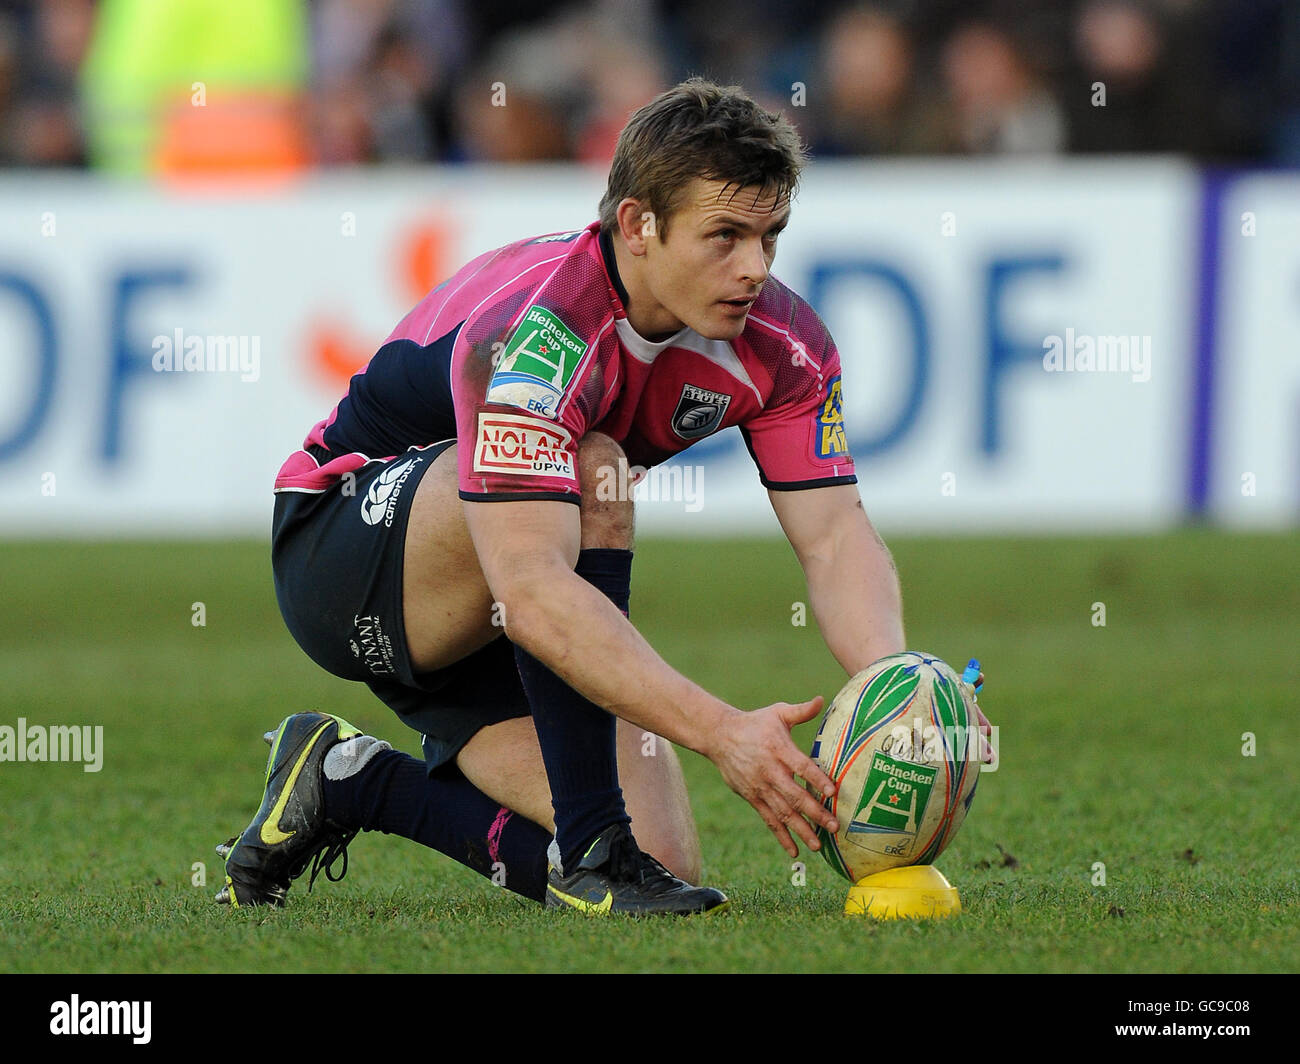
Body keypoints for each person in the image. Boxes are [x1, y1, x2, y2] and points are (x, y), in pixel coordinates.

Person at [215, 77, 948, 917]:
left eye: (769, 236)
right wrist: (721, 733)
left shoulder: (784, 346)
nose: (754, 267)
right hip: (346, 553)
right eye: (725, 236)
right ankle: (597, 845)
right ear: (638, 225)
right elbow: (529, 591)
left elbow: (835, 536)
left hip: (509, 568)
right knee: (595, 466)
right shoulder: (539, 334)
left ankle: (349, 780)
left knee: (666, 861)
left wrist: (899, 687)